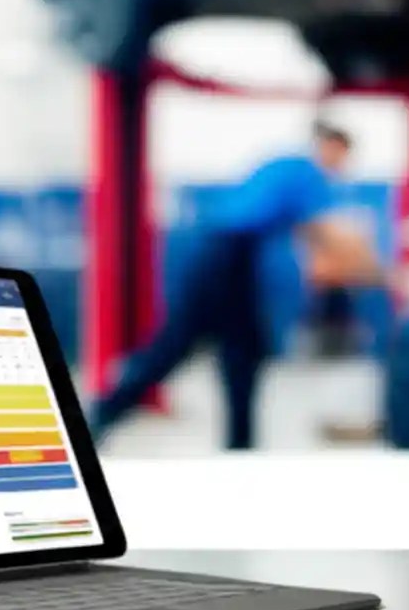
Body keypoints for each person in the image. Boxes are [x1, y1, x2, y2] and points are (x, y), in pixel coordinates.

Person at [87, 120, 384, 450]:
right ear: (332, 146)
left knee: (242, 351)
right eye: (342, 157)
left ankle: (240, 446)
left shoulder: (287, 165)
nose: (341, 167)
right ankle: (100, 414)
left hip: (236, 259)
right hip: (223, 258)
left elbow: (311, 239)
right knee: (176, 345)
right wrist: (380, 274)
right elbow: (326, 235)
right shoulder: (306, 171)